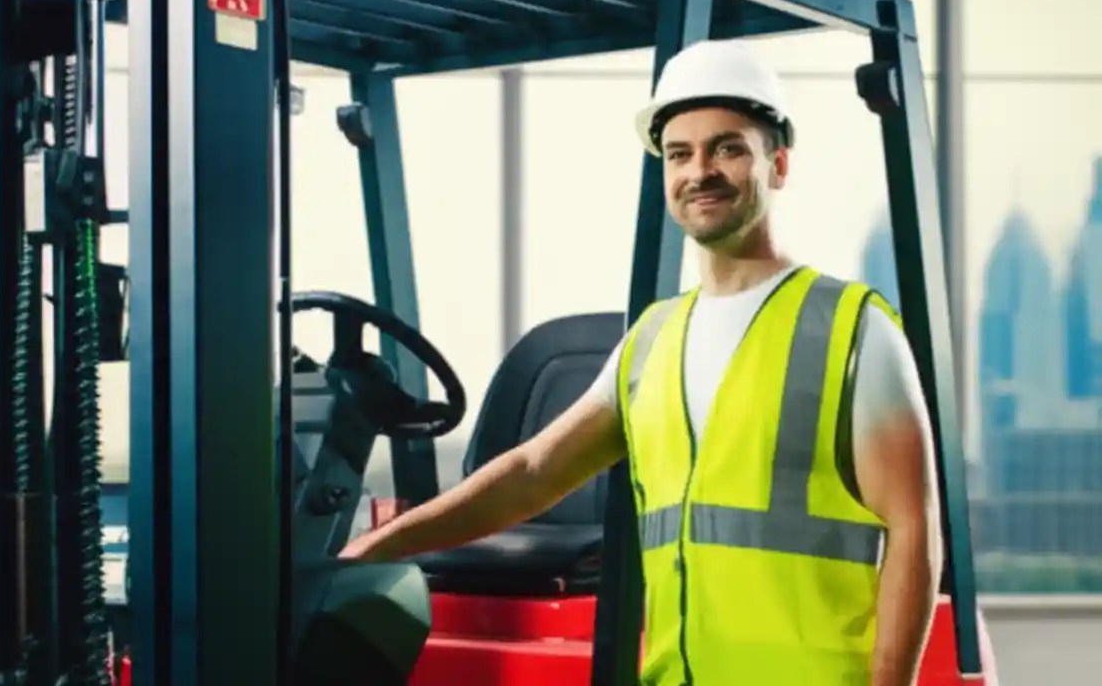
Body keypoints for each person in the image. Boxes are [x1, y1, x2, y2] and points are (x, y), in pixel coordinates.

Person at [340, 39, 943, 686]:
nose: (699, 171)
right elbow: (533, 472)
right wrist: (371, 549)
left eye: (729, 148)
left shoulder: (853, 329)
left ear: (779, 164)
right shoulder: (653, 338)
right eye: (680, 153)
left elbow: (914, 527)